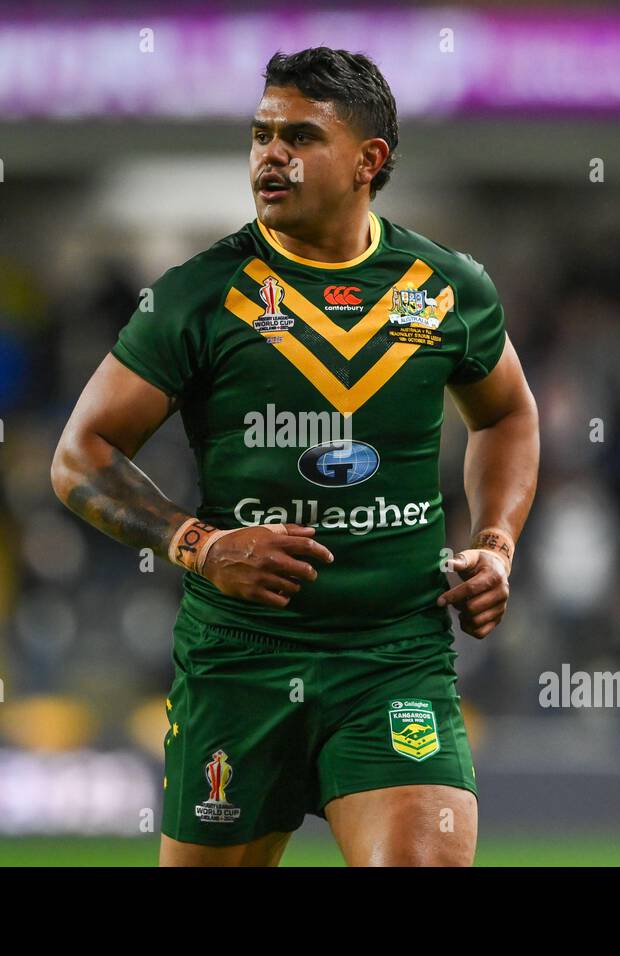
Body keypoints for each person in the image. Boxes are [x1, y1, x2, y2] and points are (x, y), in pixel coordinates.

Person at [52, 47, 539, 866]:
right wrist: (198, 545)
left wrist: (496, 544)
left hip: (396, 660)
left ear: (368, 162)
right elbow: (78, 457)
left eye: (301, 137)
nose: (269, 155)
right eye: (260, 133)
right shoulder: (199, 296)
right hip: (240, 664)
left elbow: (509, 416)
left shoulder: (448, 288)